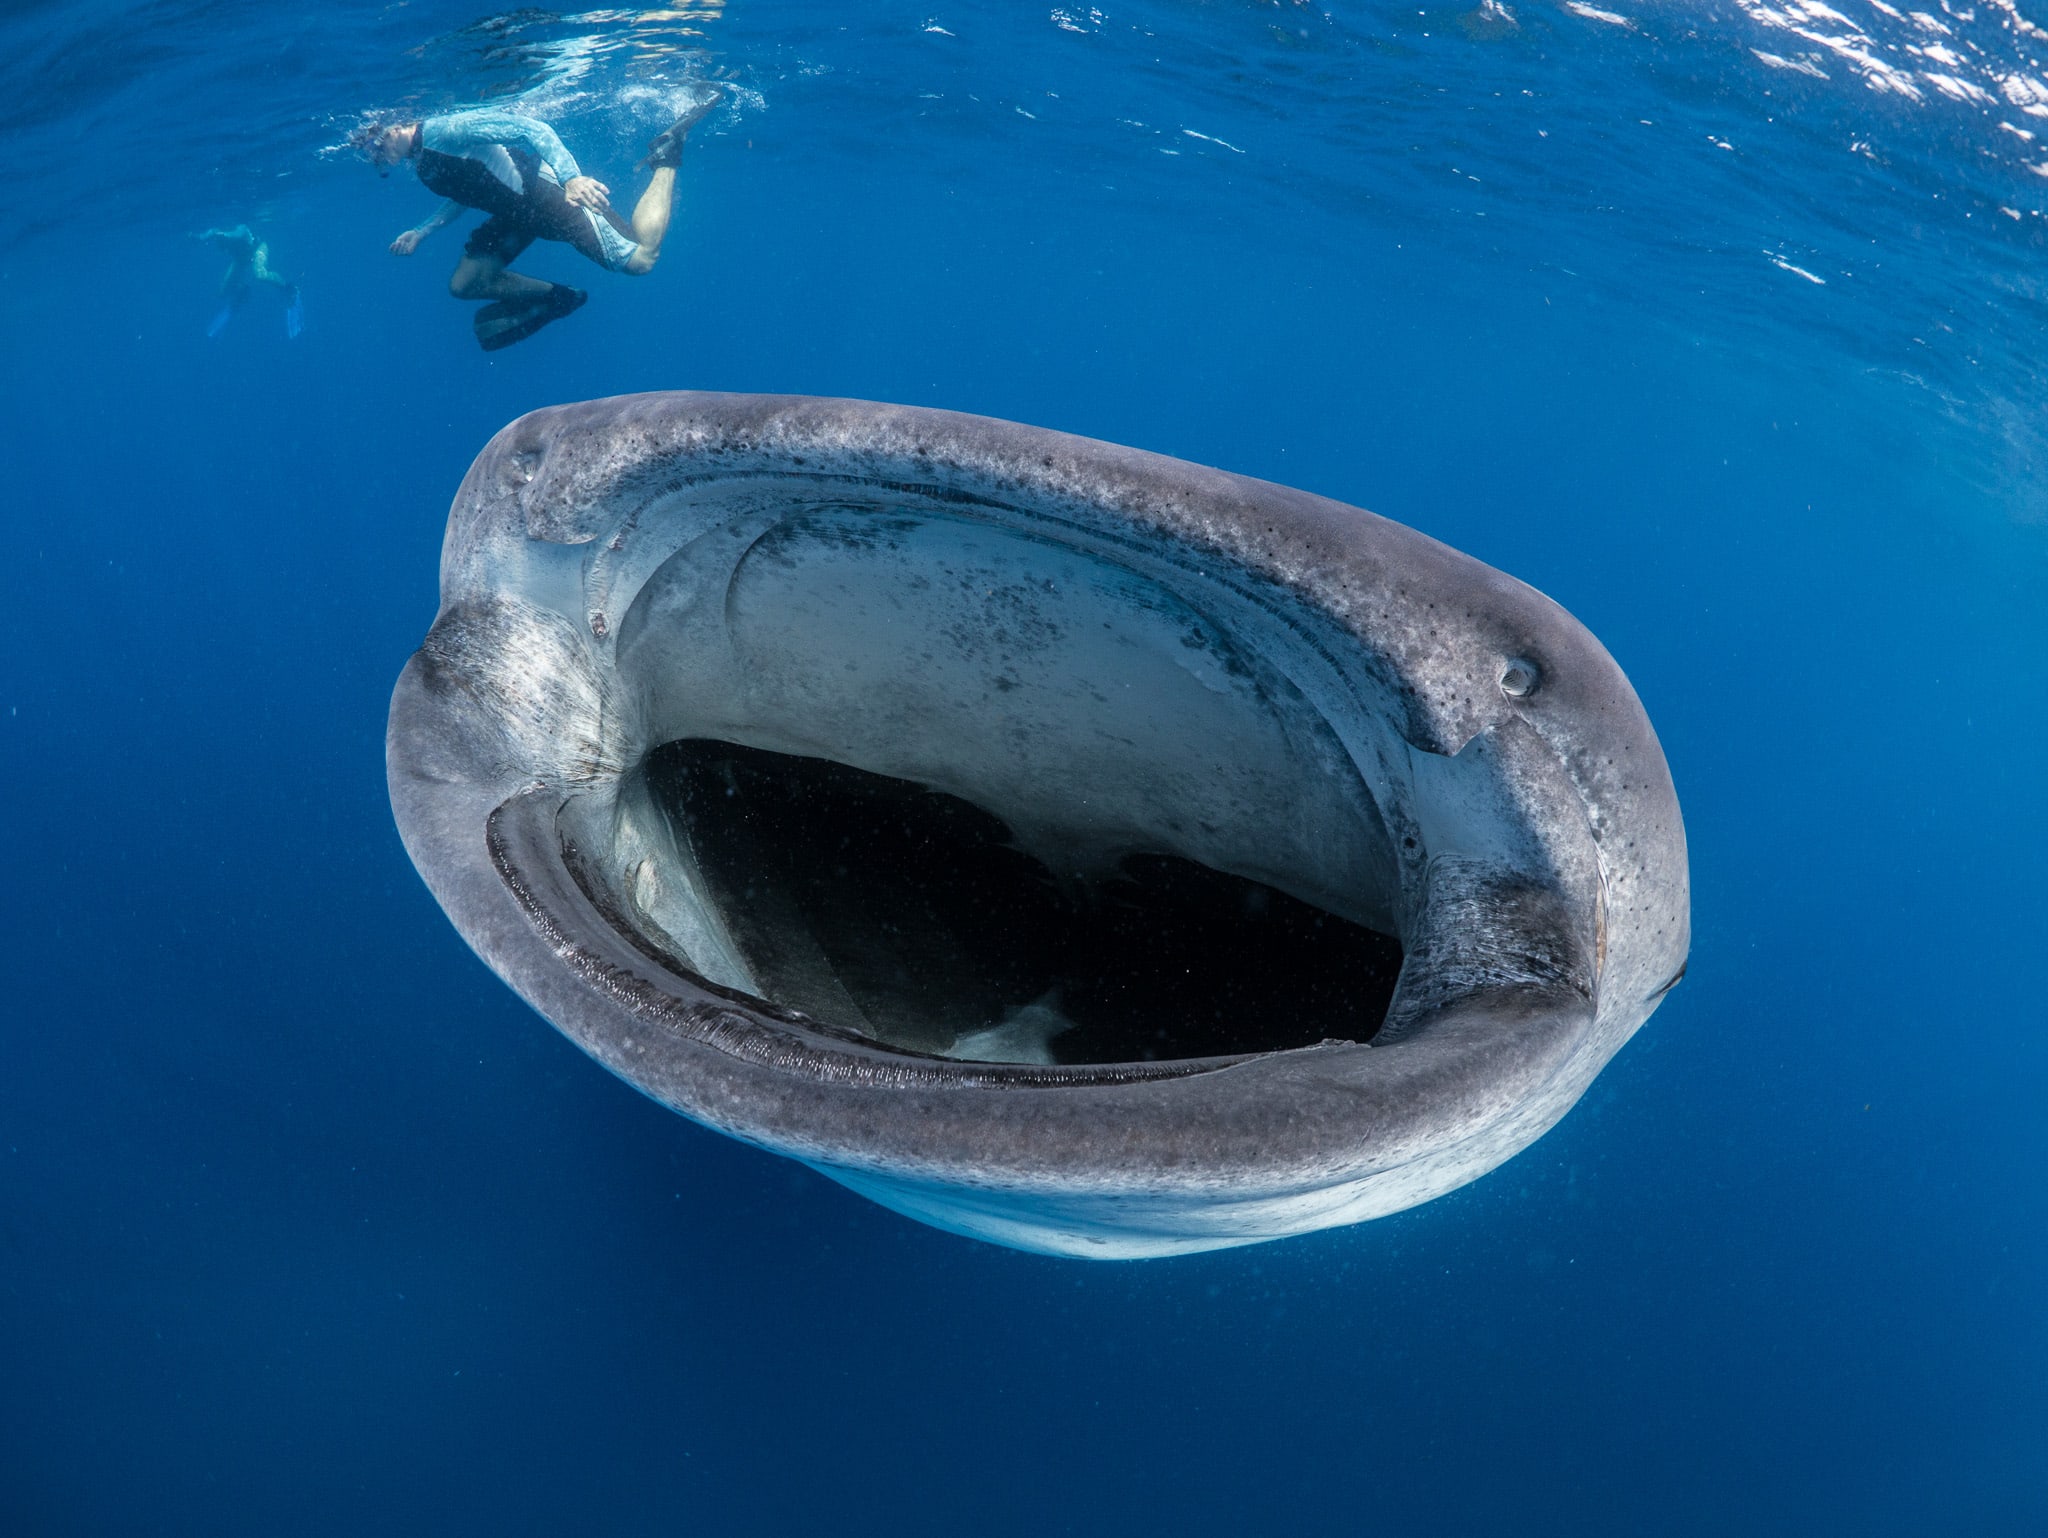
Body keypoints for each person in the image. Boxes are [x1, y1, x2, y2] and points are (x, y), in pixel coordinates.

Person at [350, 92, 722, 351]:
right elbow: (464, 193)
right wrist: (422, 231)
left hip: (546, 196)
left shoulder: (448, 129)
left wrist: (571, 178)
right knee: (464, 285)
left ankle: (666, 155)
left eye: (374, 144)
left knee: (641, 261)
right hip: (516, 214)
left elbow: (533, 129)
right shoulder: (423, 161)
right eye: (367, 151)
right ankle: (561, 299)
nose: (374, 155)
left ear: (394, 126)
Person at [197, 224, 303, 340]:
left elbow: (236, 234)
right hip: (240, 258)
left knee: (260, 274)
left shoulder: (239, 230)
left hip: (257, 248)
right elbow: (205, 235)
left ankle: (288, 288)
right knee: (224, 290)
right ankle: (242, 293)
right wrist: (195, 236)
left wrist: (223, 235)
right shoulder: (217, 234)